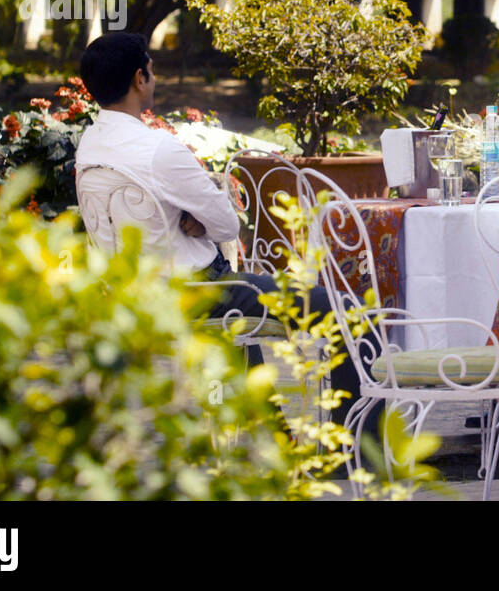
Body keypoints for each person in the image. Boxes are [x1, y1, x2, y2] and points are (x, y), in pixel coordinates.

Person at [74, 32, 371, 428]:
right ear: (139, 79)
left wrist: (194, 217)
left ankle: (275, 444)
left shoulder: (88, 147)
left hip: (133, 298)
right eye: (151, 69)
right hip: (200, 293)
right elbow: (228, 224)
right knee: (347, 310)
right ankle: (353, 453)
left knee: (241, 310)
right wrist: (202, 218)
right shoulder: (157, 148)